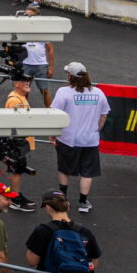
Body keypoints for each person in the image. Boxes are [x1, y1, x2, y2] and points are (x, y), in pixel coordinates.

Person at [50, 62, 109, 214]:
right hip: (90, 140)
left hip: (68, 139)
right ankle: (83, 202)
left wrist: (53, 134)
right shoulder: (99, 93)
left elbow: (54, 115)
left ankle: (62, 199)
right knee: (87, 172)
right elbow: (103, 115)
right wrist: (96, 130)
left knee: (65, 169)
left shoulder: (64, 92)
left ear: (70, 76)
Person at [0, 71, 39, 210]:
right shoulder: (15, 100)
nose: (28, 83)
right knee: (17, 171)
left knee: (18, 171)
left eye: (28, 81)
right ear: (16, 84)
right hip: (16, 143)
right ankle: (14, 199)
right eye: (24, 81)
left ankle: (14, 195)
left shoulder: (20, 96)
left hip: (20, 142)